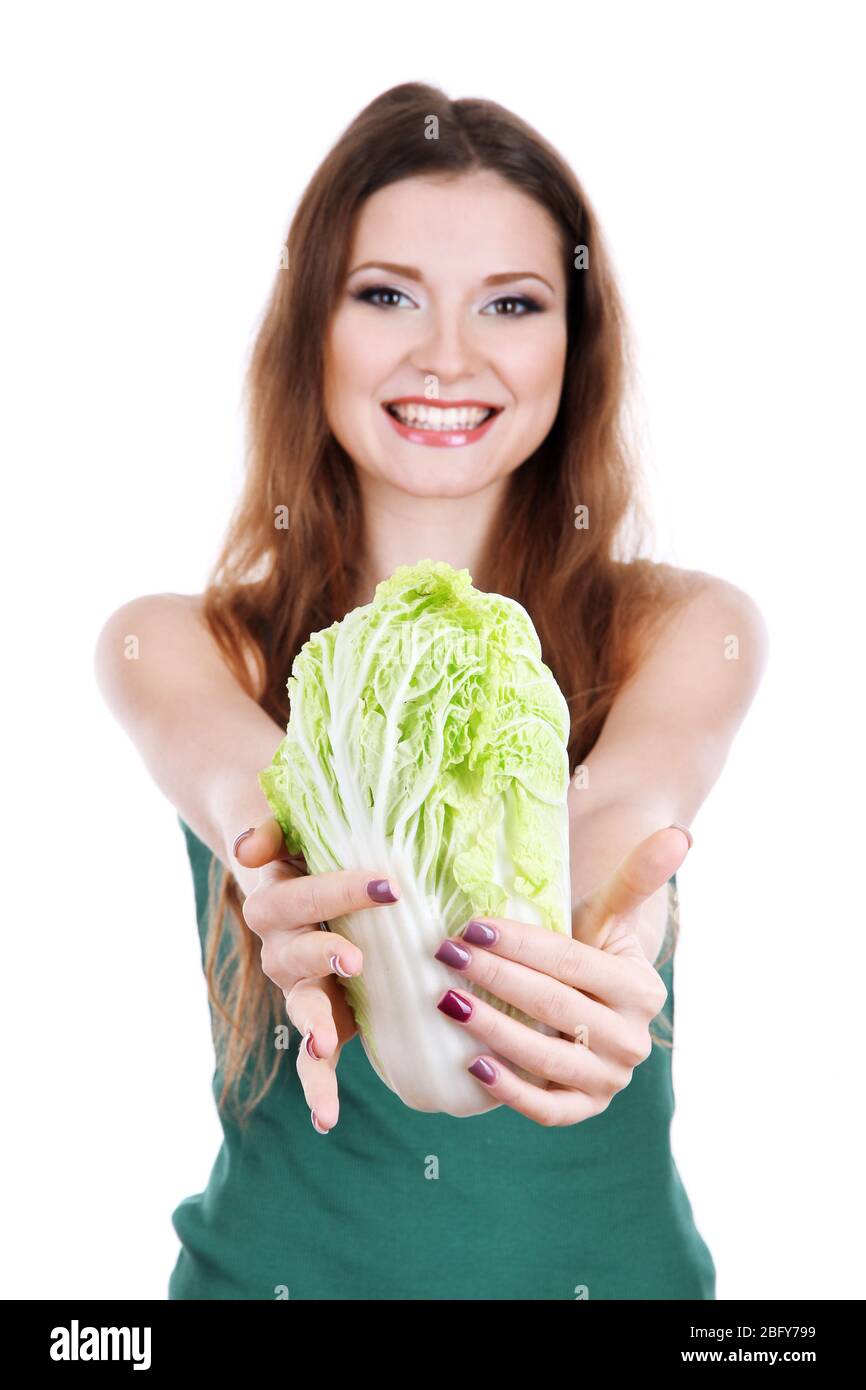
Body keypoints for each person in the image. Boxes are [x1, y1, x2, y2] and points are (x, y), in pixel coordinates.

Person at [94, 82, 768, 1300]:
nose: (447, 356)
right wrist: (278, 879)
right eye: (386, 294)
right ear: (313, 327)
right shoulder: (191, 644)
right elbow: (245, 800)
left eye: (510, 303)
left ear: (575, 342)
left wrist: (614, 930)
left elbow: (624, 808)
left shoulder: (680, 626)